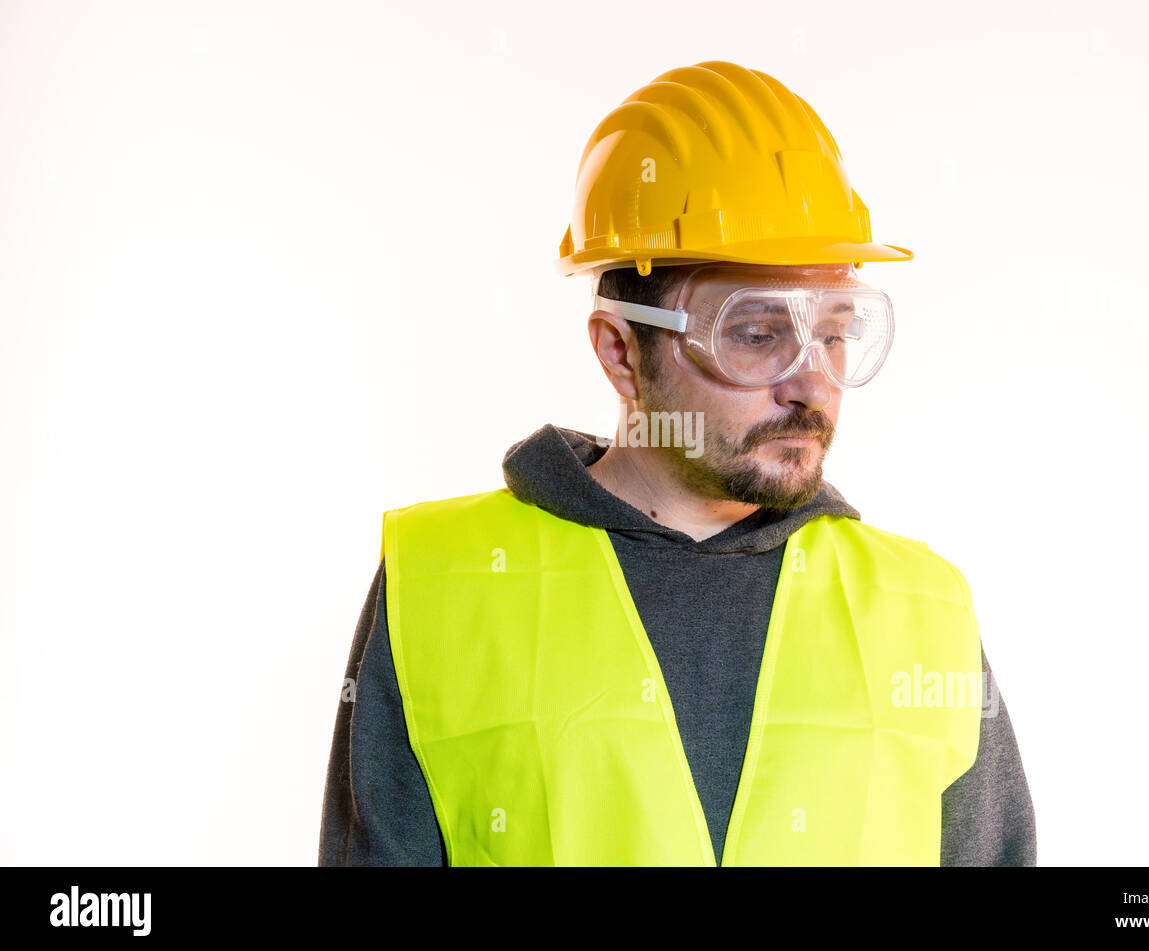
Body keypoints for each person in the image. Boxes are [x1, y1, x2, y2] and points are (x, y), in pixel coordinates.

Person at [318, 60, 1035, 866]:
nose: (810, 385)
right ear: (621, 353)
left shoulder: (923, 607)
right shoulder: (441, 583)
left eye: (835, 330)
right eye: (757, 333)